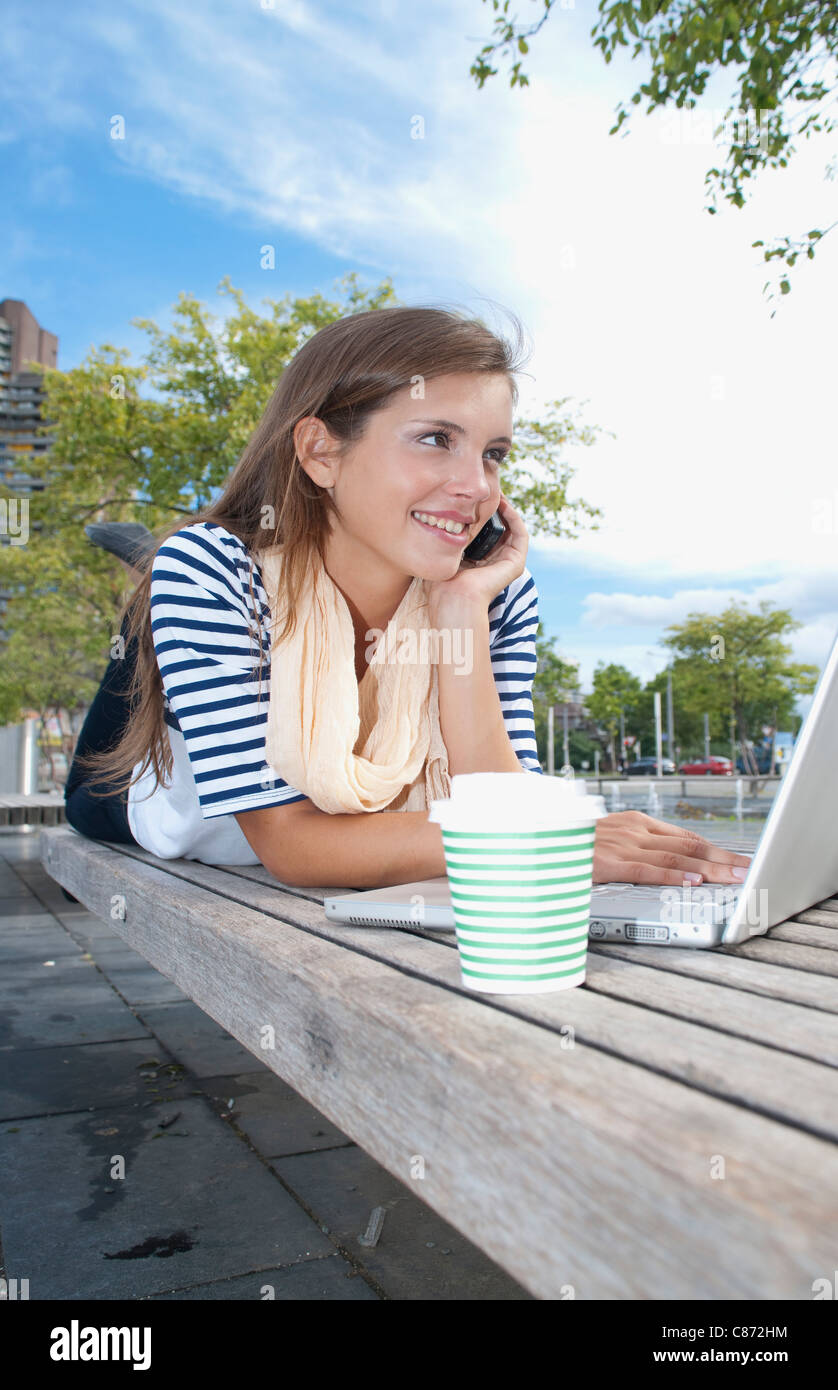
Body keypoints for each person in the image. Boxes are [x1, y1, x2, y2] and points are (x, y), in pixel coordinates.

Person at [68, 305, 750, 891]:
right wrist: (544, 843)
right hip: (166, 793)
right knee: (171, 583)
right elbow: (289, 844)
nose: (477, 487)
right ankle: (145, 569)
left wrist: (458, 612)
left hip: (366, 800)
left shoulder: (496, 595)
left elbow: (500, 801)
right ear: (321, 452)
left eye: (493, 454)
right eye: (434, 439)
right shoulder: (214, 572)